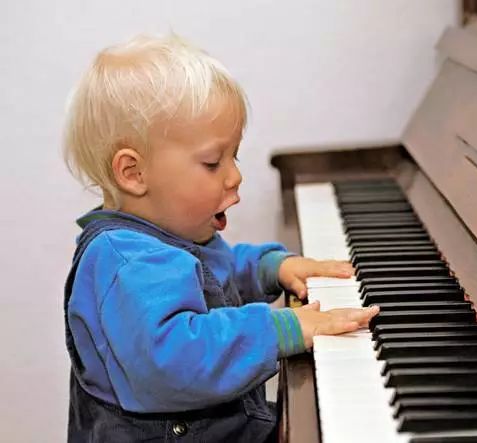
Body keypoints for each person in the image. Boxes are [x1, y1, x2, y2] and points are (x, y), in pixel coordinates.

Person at [61, 34, 378, 442]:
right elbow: (174, 359)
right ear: (134, 174)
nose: (235, 175)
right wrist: (278, 329)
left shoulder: (172, 235)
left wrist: (271, 268)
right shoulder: (127, 263)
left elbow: (216, 274)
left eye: (235, 156)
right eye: (213, 162)